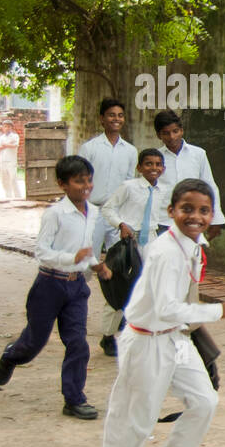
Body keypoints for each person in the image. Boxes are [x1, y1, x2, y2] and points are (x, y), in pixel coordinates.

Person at [89, 178, 225, 447]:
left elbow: (177, 309)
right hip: (146, 339)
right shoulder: (165, 252)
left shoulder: (192, 245)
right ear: (171, 211)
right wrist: (221, 310)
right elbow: (165, 308)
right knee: (136, 419)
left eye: (203, 210)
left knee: (205, 400)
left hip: (174, 338)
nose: (196, 216)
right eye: (187, 209)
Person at [0, 155, 111, 419]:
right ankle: (13, 355)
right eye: (78, 181)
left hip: (77, 288)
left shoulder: (93, 213)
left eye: (89, 180)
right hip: (49, 285)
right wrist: (72, 258)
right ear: (62, 184)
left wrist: (96, 265)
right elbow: (42, 253)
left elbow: (85, 250)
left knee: (78, 343)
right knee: (35, 341)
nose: (86, 186)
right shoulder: (55, 214)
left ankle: (74, 399)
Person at [78, 98, 138, 356]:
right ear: (101, 118)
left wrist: (124, 220)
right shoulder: (90, 148)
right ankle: (75, 317)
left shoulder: (130, 151)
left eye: (120, 115)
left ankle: (113, 328)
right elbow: (79, 180)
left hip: (116, 215)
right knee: (84, 267)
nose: (116, 119)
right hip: (92, 210)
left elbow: (129, 185)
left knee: (120, 269)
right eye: (111, 115)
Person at [99, 147, 168, 333]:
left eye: (158, 164)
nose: (154, 168)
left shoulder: (163, 190)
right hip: (128, 243)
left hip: (151, 242)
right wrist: (121, 224)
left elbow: (165, 216)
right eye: (149, 164)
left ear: (163, 168)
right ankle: (108, 334)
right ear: (139, 167)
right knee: (119, 288)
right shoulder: (129, 187)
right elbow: (107, 209)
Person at [154, 110, 225, 237]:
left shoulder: (198, 154)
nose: (172, 137)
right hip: (162, 221)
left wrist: (216, 219)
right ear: (159, 135)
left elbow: (210, 185)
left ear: (181, 130)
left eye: (175, 131)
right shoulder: (155, 158)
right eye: (166, 133)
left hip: (192, 220)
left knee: (191, 256)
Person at [0, 118, 20, 199]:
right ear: (3, 128)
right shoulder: (1, 137)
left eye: (8, 126)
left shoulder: (15, 136)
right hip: (2, 160)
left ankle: (17, 196)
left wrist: (5, 145)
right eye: (5, 126)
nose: (7, 128)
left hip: (11, 160)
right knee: (4, 179)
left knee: (13, 178)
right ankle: (8, 196)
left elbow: (15, 145)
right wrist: (6, 145)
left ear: (11, 127)